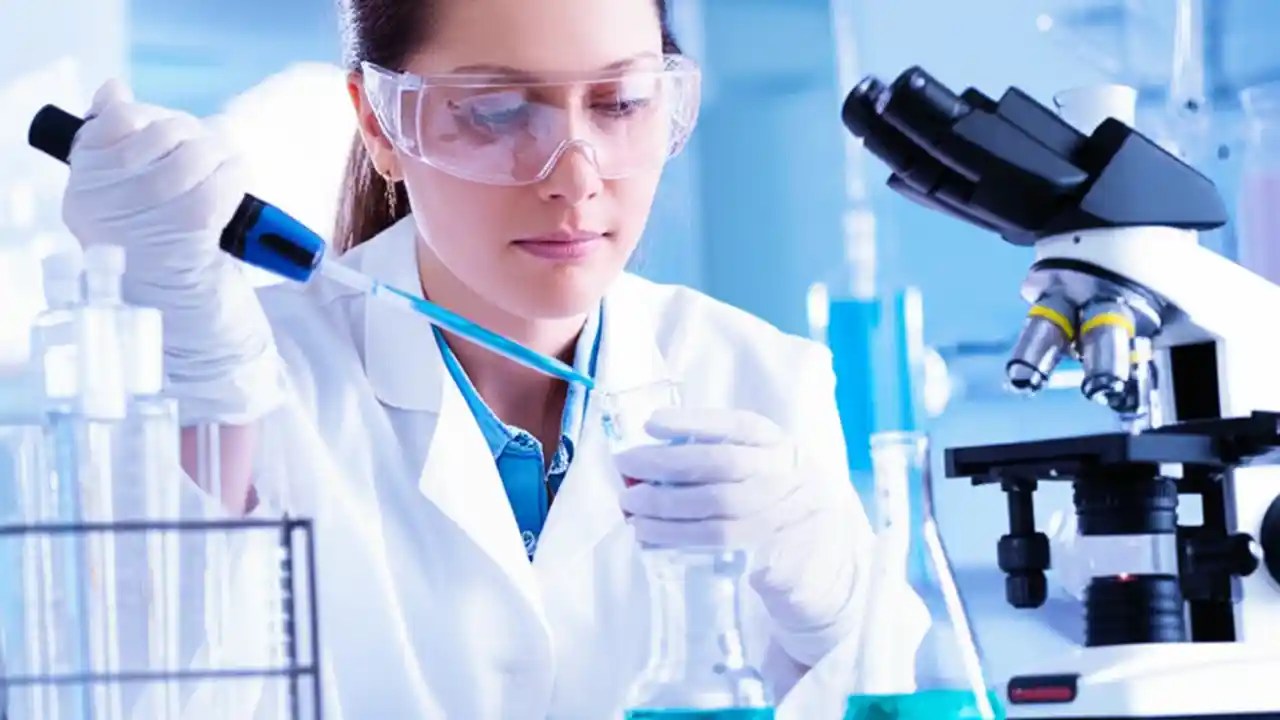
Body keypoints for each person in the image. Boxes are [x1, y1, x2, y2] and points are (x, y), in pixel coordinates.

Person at [60, 0, 875, 716]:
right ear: (380, 124)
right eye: (497, 110)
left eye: (621, 102)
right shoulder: (255, 373)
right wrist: (194, 369)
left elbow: (900, 689)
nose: (576, 178)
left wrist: (825, 589)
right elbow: (146, 694)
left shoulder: (760, 377)